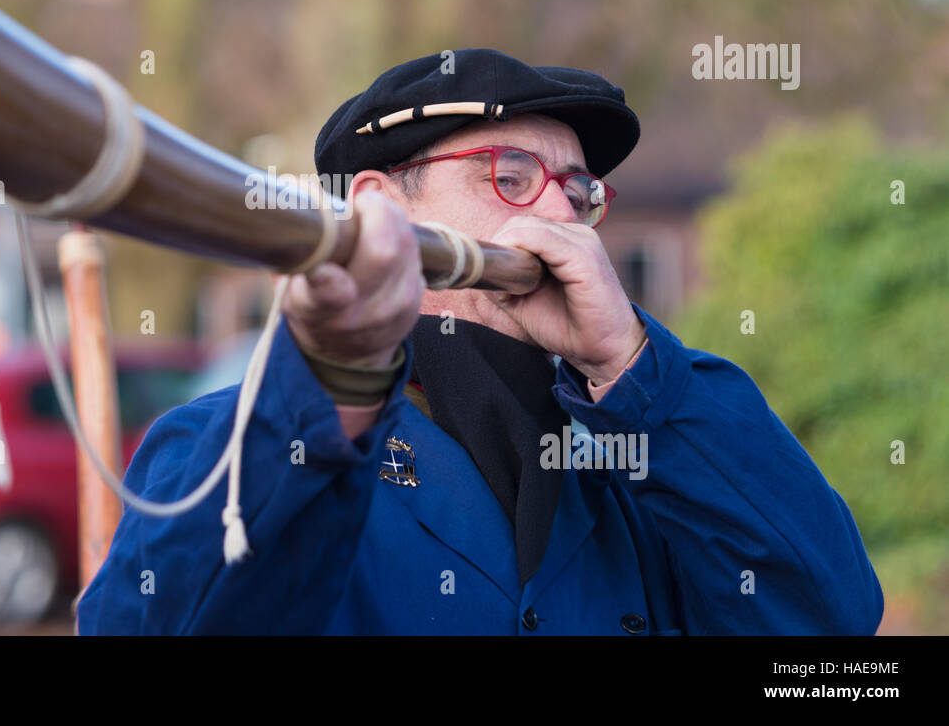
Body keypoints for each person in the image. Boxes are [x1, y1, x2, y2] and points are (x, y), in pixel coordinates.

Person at [76, 48, 883, 635]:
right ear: (378, 210)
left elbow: (827, 626)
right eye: (509, 174)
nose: (559, 217)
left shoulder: (645, 459)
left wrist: (636, 370)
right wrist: (332, 389)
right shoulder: (240, 445)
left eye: (577, 192)